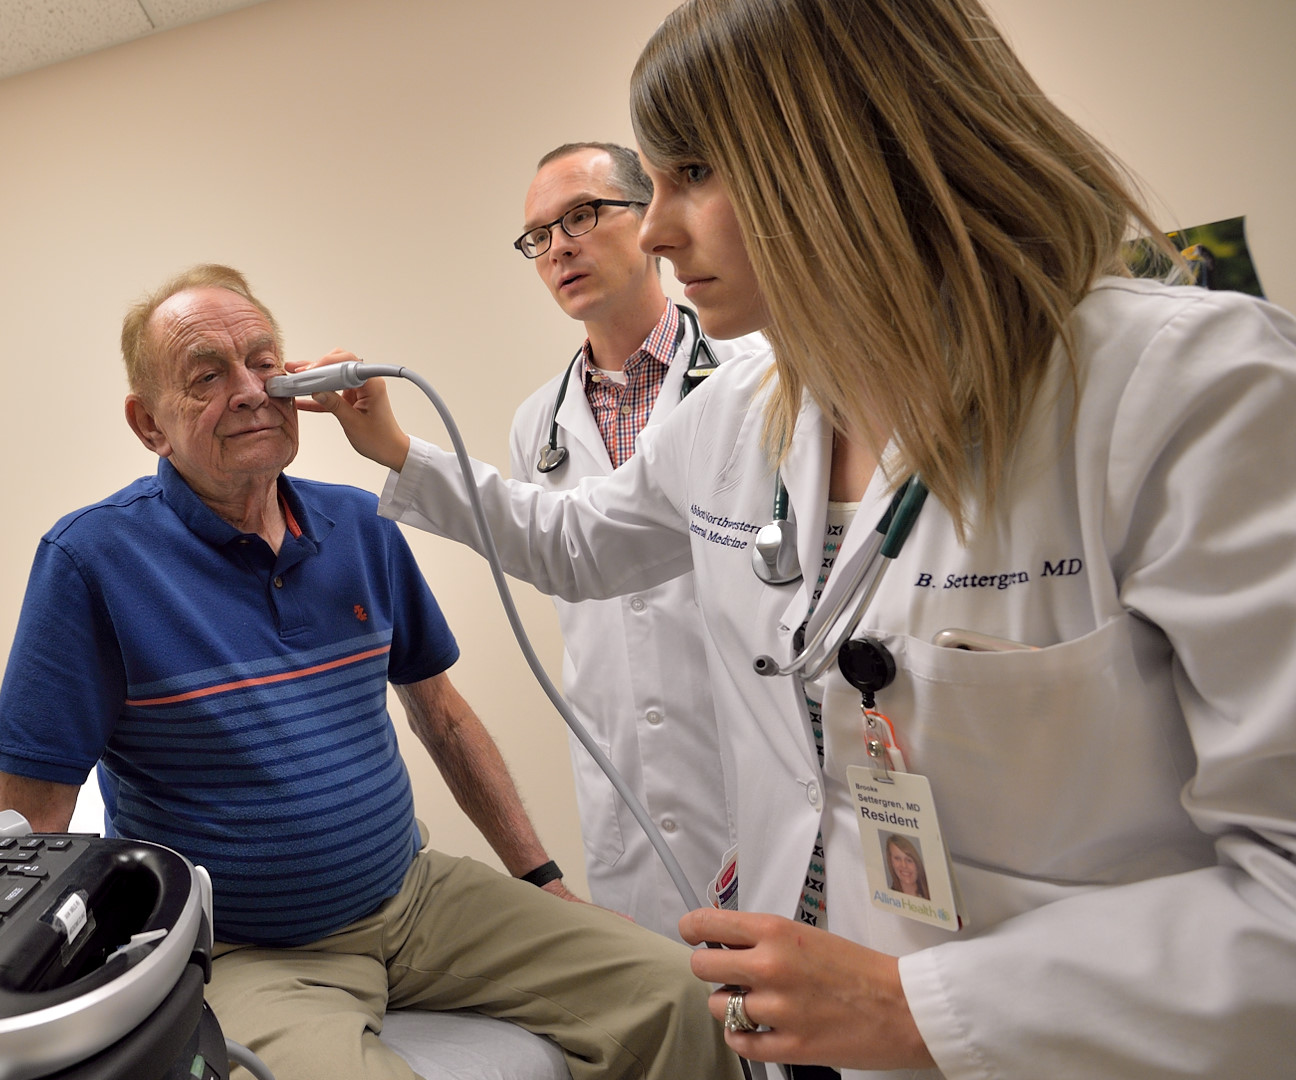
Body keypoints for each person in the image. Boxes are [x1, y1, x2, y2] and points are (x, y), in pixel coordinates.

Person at [289, 0, 1296, 1075]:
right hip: (802, 1013)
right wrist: (402, 455)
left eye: (691, 174)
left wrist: (929, 1008)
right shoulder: (733, 419)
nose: (660, 230)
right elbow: (578, 544)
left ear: (857, 148)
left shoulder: (1189, 394)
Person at [0, 263, 737, 1080]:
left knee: (680, 992)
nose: (249, 390)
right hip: (247, 952)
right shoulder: (93, 562)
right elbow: (30, 820)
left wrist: (540, 877)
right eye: (207, 377)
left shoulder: (361, 524)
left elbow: (442, 716)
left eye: (264, 361)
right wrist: (45, 1008)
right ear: (149, 424)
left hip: (414, 900)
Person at [507, 141, 740, 938]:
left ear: (648, 220)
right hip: (624, 790)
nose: (559, 247)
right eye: (539, 236)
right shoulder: (536, 424)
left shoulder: (752, 370)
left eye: (580, 216)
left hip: (747, 758)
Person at [882, 835, 926, 901]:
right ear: (891, 862)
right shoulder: (886, 898)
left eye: (909, 860)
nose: (904, 865)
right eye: (897, 858)